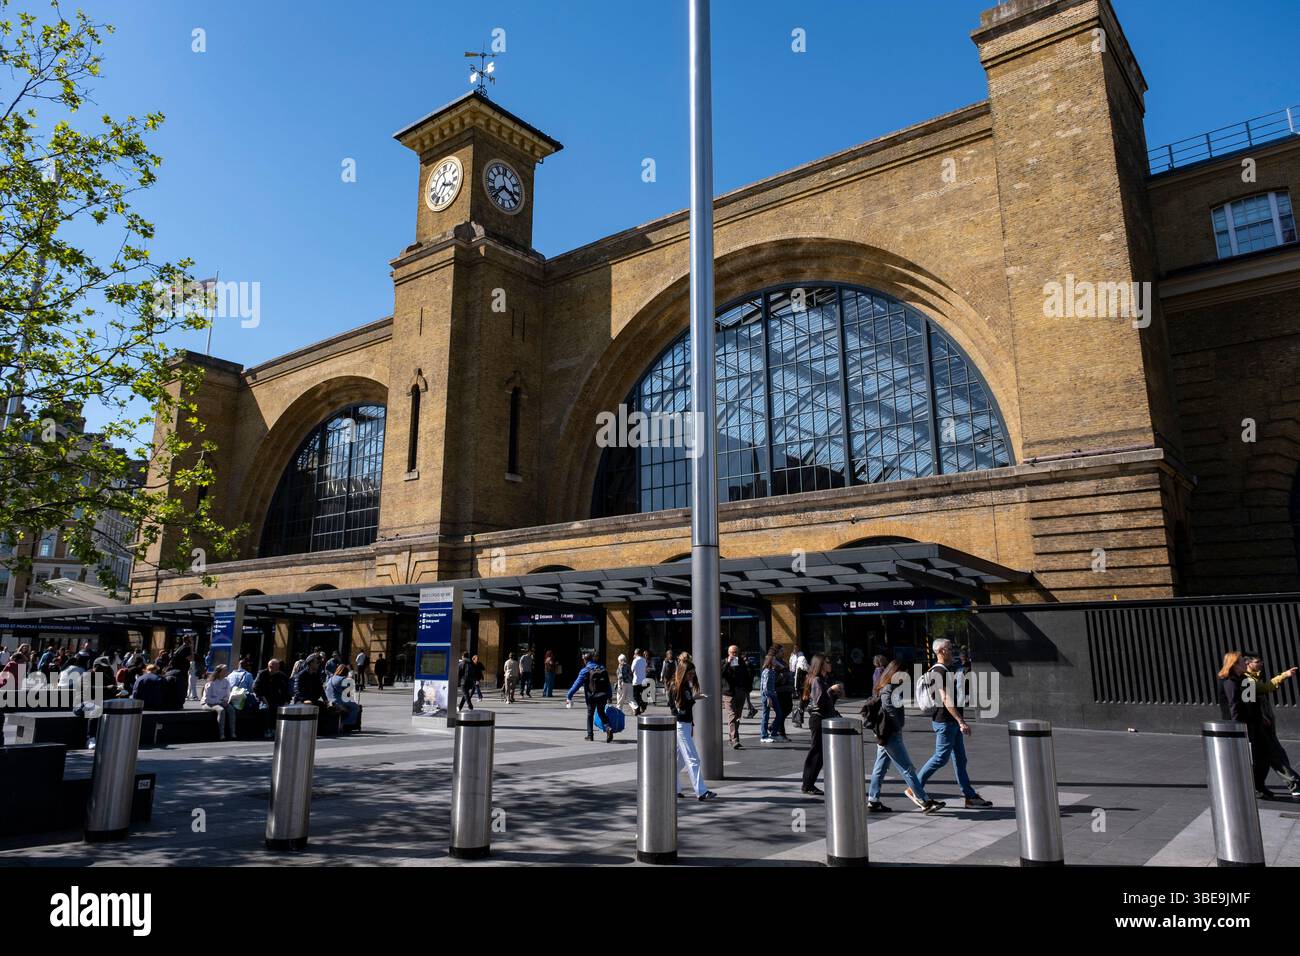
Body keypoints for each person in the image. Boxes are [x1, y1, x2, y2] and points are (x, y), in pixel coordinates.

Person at [917, 639, 993, 808]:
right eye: (950, 648)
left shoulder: (942, 670)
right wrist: (961, 721)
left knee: (960, 759)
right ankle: (915, 787)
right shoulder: (940, 671)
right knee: (940, 758)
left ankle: (970, 796)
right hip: (945, 722)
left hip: (950, 722)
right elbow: (945, 698)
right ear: (942, 651)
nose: (953, 651)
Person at [863, 660, 945, 813]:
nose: (906, 675)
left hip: (885, 734)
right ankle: (924, 800)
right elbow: (888, 708)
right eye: (904, 672)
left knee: (880, 768)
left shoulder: (889, 687)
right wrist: (898, 725)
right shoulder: (888, 689)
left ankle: (873, 800)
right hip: (890, 734)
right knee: (907, 768)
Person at [1220, 649, 1276, 798]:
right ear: (1235, 665)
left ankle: (1259, 784)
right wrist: (1238, 729)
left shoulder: (1246, 679)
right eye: (1241, 662)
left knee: (1264, 756)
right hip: (1241, 726)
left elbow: (1252, 702)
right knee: (1248, 759)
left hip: (1255, 723)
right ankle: (1250, 787)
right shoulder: (1230, 682)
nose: (1245, 663)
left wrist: (1261, 718)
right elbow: (1234, 707)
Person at [1244, 654, 1300, 797]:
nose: (1261, 664)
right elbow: (1251, 703)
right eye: (1257, 662)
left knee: (1266, 759)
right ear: (1248, 663)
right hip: (1260, 727)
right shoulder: (1248, 681)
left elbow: (1263, 689)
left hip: (1264, 726)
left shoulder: (1253, 678)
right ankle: (1294, 784)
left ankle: (1257, 787)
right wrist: (1284, 675)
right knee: (1276, 755)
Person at [669, 653, 716, 800]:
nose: (691, 676)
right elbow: (678, 709)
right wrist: (693, 699)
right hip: (681, 724)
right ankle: (701, 791)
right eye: (689, 674)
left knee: (679, 760)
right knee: (693, 759)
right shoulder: (677, 687)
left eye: (693, 674)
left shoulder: (683, 686)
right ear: (683, 673)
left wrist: (693, 698)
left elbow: (682, 708)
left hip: (685, 724)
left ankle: (673, 787)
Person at [800, 654, 842, 796]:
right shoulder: (817, 680)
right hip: (818, 720)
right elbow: (820, 702)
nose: (831, 664)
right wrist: (831, 690)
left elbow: (827, 703)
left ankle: (809, 784)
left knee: (819, 753)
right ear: (821, 664)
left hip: (822, 718)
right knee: (816, 753)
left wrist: (834, 693)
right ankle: (808, 784)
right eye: (828, 661)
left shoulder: (822, 679)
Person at [566, 652, 614, 742]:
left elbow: (576, 684)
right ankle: (608, 728)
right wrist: (609, 696)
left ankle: (590, 735)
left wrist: (569, 695)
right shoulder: (602, 668)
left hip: (591, 696)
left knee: (590, 714)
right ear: (592, 658)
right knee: (601, 712)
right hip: (603, 695)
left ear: (585, 660)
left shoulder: (585, 670)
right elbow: (608, 684)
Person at [720, 645, 750, 749]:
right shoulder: (724, 662)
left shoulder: (741, 662)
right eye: (732, 652)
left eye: (736, 652)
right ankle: (734, 739)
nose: (734, 654)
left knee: (737, 717)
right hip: (729, 693)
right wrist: (728, 662)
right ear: (728, 653)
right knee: (732, 716)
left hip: (740, 692)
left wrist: (746, 690)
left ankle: (732, 736)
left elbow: (747, 676)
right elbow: (721, 673)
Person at [253, 659, 291, 738]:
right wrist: (263, 699)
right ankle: (267, 729)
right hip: (263, 698)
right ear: (270, 667)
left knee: (280, 709)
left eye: (278, 668)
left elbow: (286, 689)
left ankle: (276, 729)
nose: (277, 670)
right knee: (265, 709)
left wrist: (287, 701)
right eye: (275, 668)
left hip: (276, 699)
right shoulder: (262, 674)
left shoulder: (281, 676)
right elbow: (255, 688)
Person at [201, 663, 235, 739]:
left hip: (221, 702)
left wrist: (226, 700)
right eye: (224, 671)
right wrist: (220, 702)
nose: (226, 672)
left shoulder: (226, 681)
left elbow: (227, 694)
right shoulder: (210, 683)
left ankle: (232, 732)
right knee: (221, 710)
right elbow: (207, 699)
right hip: (208, 703)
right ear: (219, 672)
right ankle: (221, 734)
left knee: (231, 709)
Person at [325, 665, 362, 729]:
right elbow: (348, 694)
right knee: (356, 707)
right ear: (345, 672)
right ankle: (346, 724)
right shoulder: (343, 679)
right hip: (337, 701)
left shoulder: (331, 678)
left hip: (329, 700)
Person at [759, 650, 781, 744]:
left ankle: (774, 733)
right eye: (774, 660)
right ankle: (764, 736)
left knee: (779, 714)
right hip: (767, 696)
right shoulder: (767, 672)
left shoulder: (772, 671)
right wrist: (768, 698)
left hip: (773, 694)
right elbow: (764, 686)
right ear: (770, 661)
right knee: (766, 716)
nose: (776, 661)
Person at [772, 646, 793, 741]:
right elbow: (774, 678)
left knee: (788, 708)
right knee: (781, 712)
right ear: (776, 652)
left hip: (787, 689)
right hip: (779, 691)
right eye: (781, 651)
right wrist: (783, 675)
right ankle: (781, 733)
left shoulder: (783, 662)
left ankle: (773, 725)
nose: (783, 653)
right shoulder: (774, 662)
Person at [631, 647, 649, 716]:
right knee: (642, 695)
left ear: (636, 654)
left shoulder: (635, 660)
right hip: (643, 680)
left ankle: (638, 709)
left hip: (636, 681)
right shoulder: (644, 660)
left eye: (634, 654)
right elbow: (645, 668)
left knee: (636, 696)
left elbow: (632, 670)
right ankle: (643, 705)